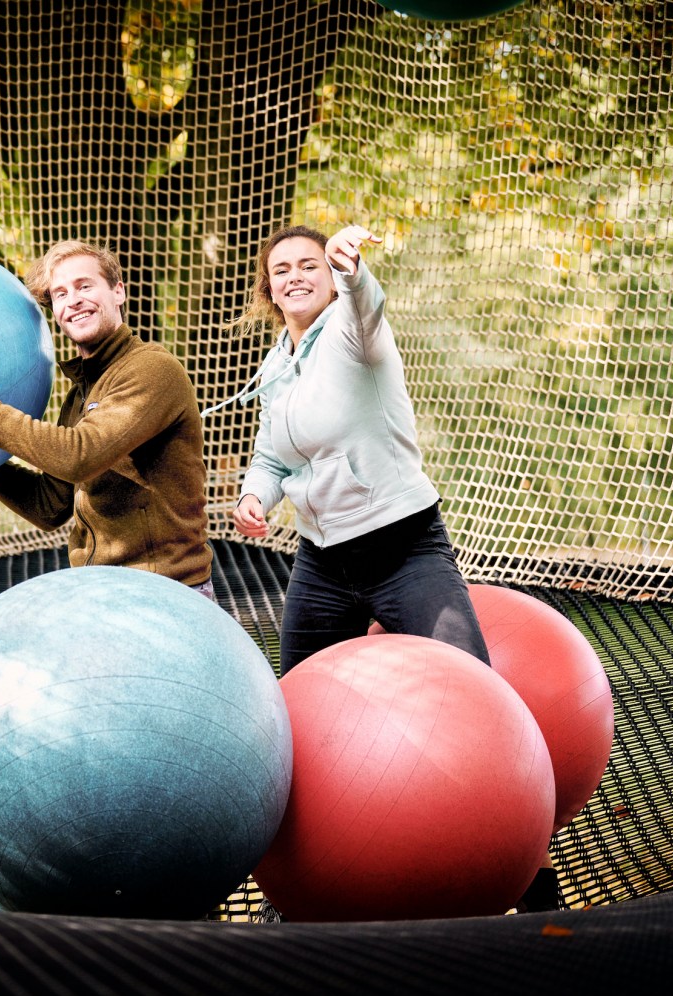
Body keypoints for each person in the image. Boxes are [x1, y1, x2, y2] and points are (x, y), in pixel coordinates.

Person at [230, 222, 559, 914]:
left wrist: (353, 269)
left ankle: (537, 898)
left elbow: (366, 306)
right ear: (268, 286)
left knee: (479, 706)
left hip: (403, 547)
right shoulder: (275, 367)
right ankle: (298, 893)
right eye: (281, 268)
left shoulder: (354, 331)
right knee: (299, 724)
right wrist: (255, 495)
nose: (295, 275)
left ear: (328, 273)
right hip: (322, 562)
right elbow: (272, 456)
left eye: (310, 264)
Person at [0, 240, 214, 598]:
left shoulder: (151, 369)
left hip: (166, 592)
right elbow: (49, 506)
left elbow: (79, 456)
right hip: (102, 590)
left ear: (118, 292)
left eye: (85, 286)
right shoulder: (81, 394)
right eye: (60, 293)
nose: (73, 300)